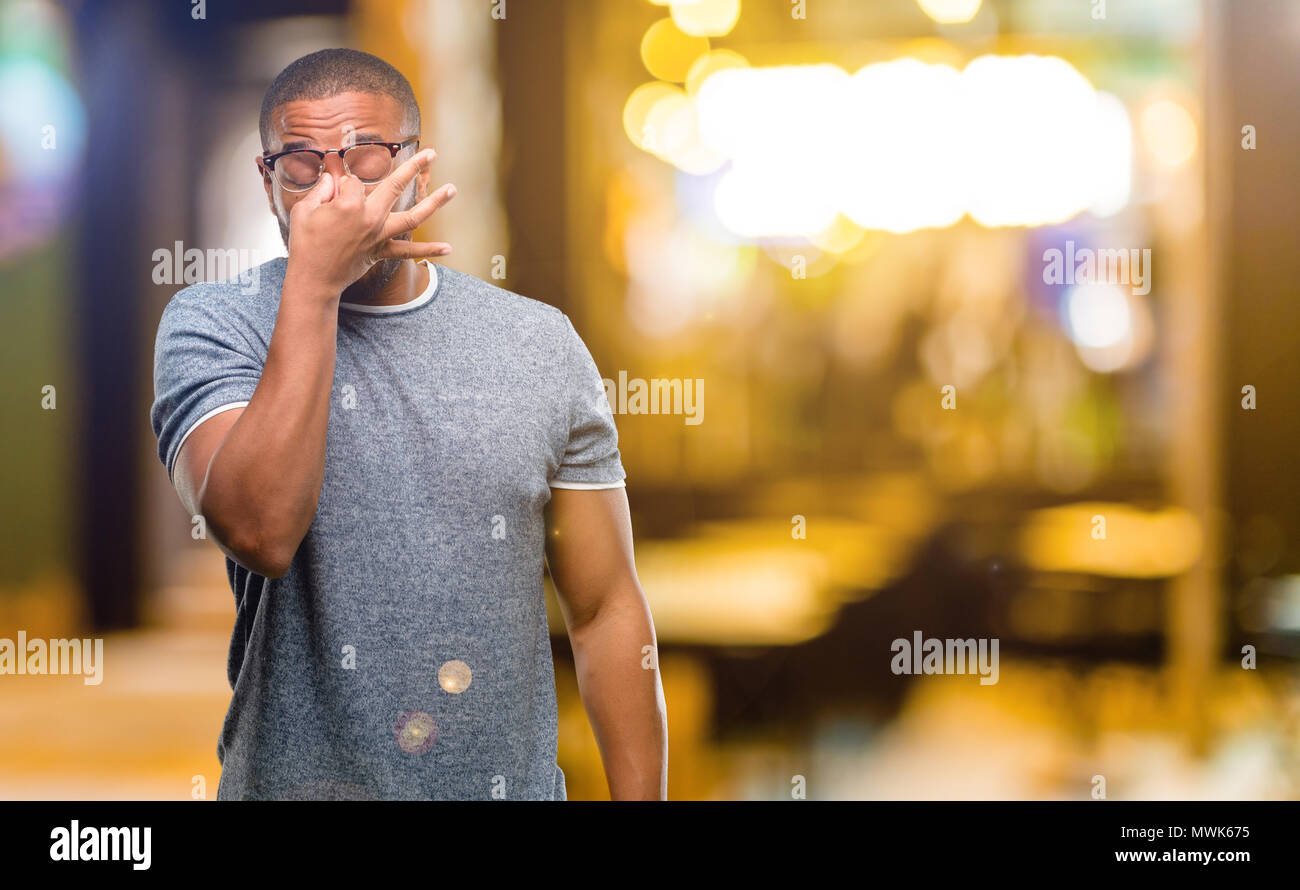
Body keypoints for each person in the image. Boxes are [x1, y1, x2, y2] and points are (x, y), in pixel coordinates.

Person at [150, 48, 666, 800]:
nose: (337, 190)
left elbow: (606, 609)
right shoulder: (214, 324)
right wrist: (316, 286)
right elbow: (259, 530)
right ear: (268, 185)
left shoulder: (537, 344)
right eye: (302, 163)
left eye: (368, 158)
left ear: (418, 169)